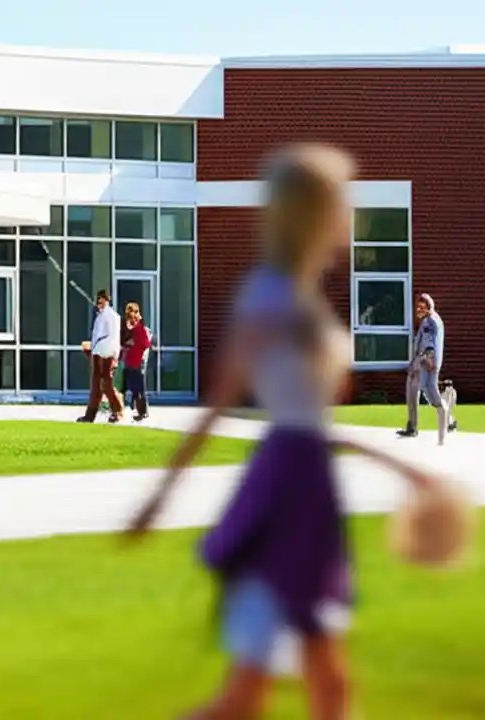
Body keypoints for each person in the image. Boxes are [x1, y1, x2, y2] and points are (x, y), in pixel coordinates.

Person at [125, 144, 445, 720]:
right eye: (341, 200)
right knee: (272, 697)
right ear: (315, 210)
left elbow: (311, 424)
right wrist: (158, 498)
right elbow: (219, 403)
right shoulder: (270, 297)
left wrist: (407, 470)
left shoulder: (299, 296)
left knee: (295, 694)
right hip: (286, 497)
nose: (350, 212)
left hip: (305, 490)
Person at [398, 293, 458, 444]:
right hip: (428, 361)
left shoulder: (428, 322)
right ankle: (447, 419)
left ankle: (414, 426)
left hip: (424, 361)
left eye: (421, 306)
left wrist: (424, 359)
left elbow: (429, 341)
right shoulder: (435, 320)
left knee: (419, 390)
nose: (418, 309)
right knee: (428, 390)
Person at [78, 290, 124, 424]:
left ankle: (117, 411)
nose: (99, 302)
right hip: (98, 353)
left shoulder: (112, 316)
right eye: (98, 300)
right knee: (96, 387)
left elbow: (112, 338)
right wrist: (92, 347)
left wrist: (113, 355)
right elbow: (97, 335)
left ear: (107, 300)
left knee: (107, 385)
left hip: (107, 355)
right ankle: (90, 416)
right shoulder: (100, 316)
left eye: (101, 299)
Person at [121, 302, 153, 422]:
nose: (132, 319)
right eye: (129, 316)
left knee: (139, 388)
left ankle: (143, 412)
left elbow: (146, 344)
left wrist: (133, 343)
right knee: (132, 388)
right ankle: (135, 409)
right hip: (129, 361)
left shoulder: (140, 329)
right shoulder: (130, 329)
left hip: (138, 362)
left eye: (134, 315)